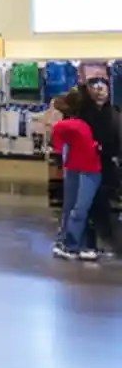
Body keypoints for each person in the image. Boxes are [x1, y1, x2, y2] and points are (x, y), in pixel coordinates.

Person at [52, 90, 102, 260]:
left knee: (73, 208)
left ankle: (70, 244)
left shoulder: (64, 126)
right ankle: (76, 244)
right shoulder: (83, 125)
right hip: (90, 168)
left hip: (76, 166)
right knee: (80, 209)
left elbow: (58, 148)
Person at [77, 77, 119, 255]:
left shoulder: (114, 113)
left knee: (106, 204)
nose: (100, 91)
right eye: (95, 88)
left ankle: (108, 241)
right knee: (89, 205)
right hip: (88, 164)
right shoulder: (84, 115)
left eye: (103, 88)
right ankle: (91, 242)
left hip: (108, 164)